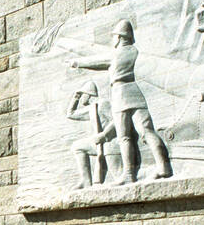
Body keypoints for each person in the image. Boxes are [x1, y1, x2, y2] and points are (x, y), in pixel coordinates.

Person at [70, 20, 172, 184]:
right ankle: (163, 166)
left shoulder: (117, 53)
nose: (113, 41)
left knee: (124, 137)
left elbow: (97, 61)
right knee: (147, 131)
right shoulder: (134, 51)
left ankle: (129, 174)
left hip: (120, 93)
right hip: (135, 92)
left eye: (114, 37)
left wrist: (77, 62)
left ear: (118, 37)